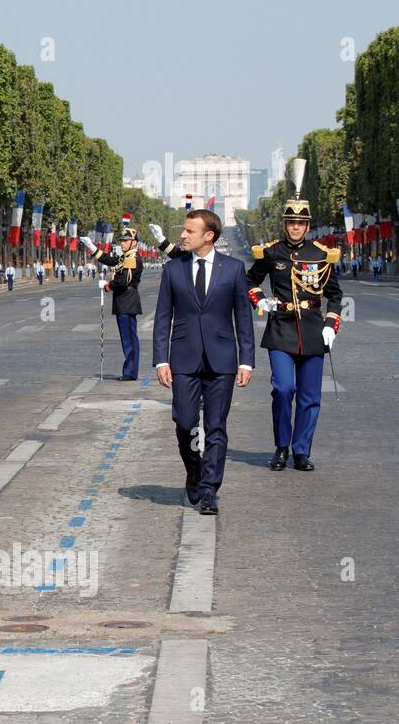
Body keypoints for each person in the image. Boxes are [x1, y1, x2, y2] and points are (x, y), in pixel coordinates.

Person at [152, 209, 255, 516]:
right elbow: (162, 318)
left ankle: (210, 488)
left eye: (188, 231)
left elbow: (243, 318)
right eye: (183, 230)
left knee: (216, 427)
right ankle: (194, 470)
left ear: (208, 236)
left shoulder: (234, 269)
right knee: (184, 422)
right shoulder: (174, 270)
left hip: (222, 360)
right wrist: (161, 360)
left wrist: (246, 361)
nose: (182, 235)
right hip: (183, 359)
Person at [245, 194, 342, 472]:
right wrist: (259, 300)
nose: (295, 227)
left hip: (312, 330)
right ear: (285, 224)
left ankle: (301, 451)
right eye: (291, 222)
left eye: (300, 222)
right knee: (283, 389)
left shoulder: (321, 254)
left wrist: (331, 325)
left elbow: (334, 294)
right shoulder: (272, 252)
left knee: (310, 396)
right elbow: (250, 279)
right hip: (281, 329)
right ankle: (281, 447)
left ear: (307, 225)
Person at [83, 226, 144, 380]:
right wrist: (92, 247)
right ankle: (130, 371)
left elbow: (124, 281)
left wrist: (108, 285)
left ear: (134, 243)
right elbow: (109, 260)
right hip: (124, 301)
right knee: (127, 338)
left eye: (126, 240)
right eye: (121, 241)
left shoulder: (132, 258)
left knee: (129, 339)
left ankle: (130, 372)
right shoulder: (125, 257)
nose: (122, 243)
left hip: (127, 301)